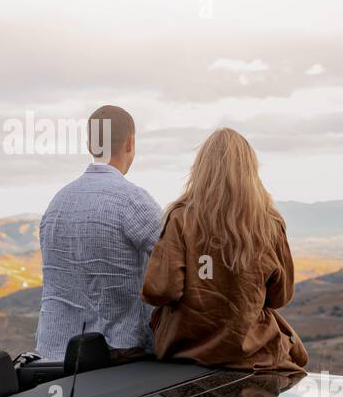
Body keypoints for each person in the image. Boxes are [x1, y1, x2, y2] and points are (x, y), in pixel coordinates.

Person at [142, 127, 308, 372]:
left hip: (186, 353)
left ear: (201, 170)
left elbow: (160, 290)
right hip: (253, 354)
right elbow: (280, 297)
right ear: (250, 171)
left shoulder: (181, 218)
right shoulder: (269, 223)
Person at [36, 105, 162, 360]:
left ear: (90, 145)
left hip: (54, 358)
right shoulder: (133, 201)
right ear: (130, 143)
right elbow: (178, 260)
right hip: (118, 359)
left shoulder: (56, 204)